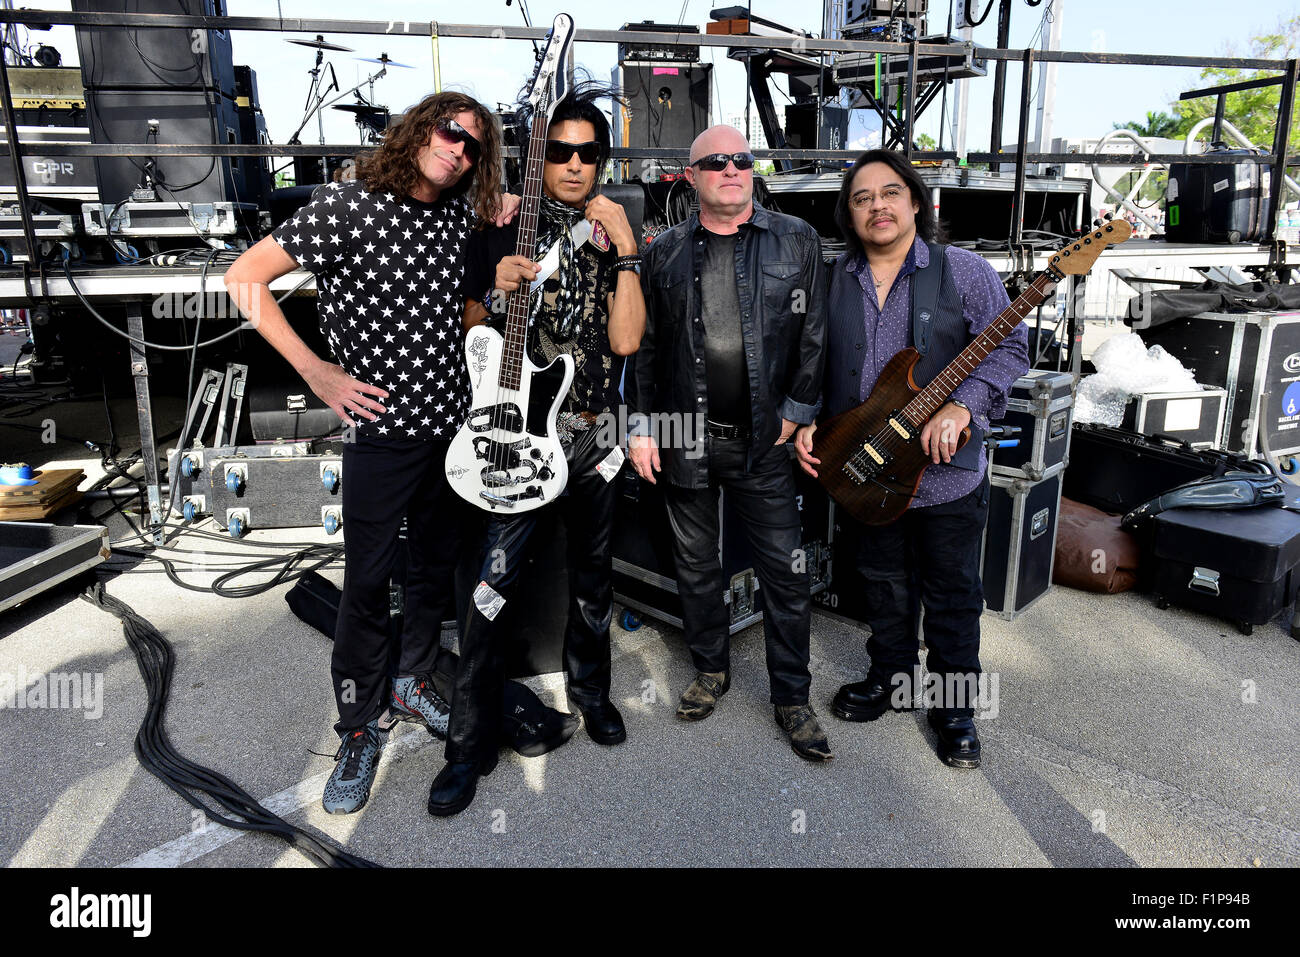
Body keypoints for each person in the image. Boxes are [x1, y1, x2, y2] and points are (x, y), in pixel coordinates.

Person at [224, 91, 517, 814]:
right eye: (452, 132)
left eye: (475, 145)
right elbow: (243, 279)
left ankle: (414, 677)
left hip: (451, 428)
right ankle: (358, 723)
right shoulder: (348, 203)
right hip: (379, 434)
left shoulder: (456, 211)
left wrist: (503, 201)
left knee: (431, 572)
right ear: (421, 128)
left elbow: (491, 231)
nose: (459, 149)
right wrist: (317, 372)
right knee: (367, 582)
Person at [427, 84, 646, 817]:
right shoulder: (501, 226)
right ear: (537, 158)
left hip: (593, 430)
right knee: (489, 587)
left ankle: (592, 693)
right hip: (519, 434)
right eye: (560, 151)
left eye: (589, 152)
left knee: (593, 578)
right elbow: (462, 326)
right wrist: (495, 288)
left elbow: (624, 341)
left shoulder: (614, 226)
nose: (575, 164)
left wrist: (630, 251)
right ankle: (467, 743)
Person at [794, 148, 1029, 769]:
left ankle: (954, 710)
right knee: (882, 584)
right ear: (849, 213)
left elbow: (1011, 350)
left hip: (946, 475)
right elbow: (814, 360)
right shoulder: (834, 278)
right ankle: (890, 678)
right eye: (863, 197)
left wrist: (966, 407)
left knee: (952, 594)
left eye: (890, 192)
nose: (878, 206)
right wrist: (808, 419)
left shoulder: (965, 272)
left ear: (916, 202)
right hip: (866, 470)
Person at [627, 125, 831, 762]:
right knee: (695, 567)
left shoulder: (793, 238)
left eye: (742, 159)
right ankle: (711, 670)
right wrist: (639, 428)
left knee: (784, 573)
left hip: (764, 442)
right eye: (715, 162)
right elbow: (649, 352)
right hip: (686, 436)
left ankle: (792, 698)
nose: (732, 170)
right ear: (691, 177)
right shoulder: (663, 253)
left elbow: (815, 336)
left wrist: (798, 412)